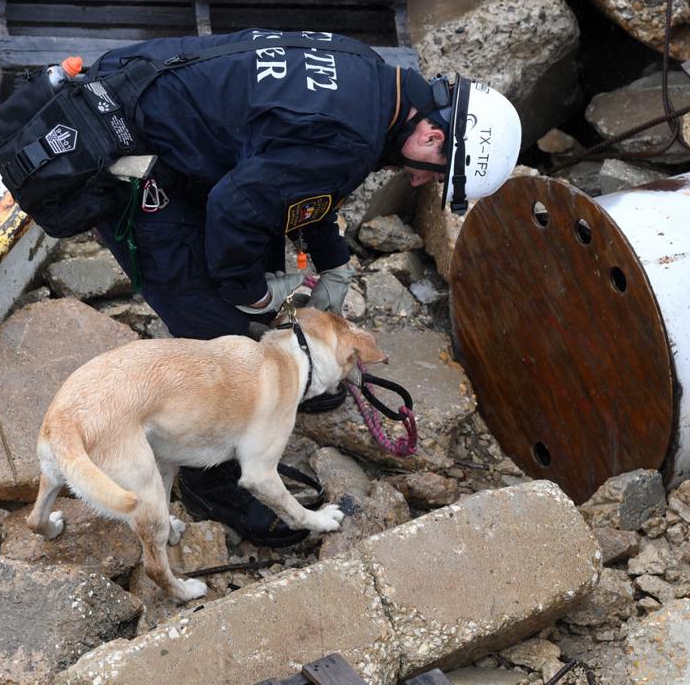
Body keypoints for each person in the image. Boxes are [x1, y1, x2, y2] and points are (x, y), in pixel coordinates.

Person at [83, 28, 522, 545]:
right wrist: (254, 296)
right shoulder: (354, 140)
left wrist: (334, 259)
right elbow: (236, 207)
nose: (422, 181)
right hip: (125, 160)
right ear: (432, 136)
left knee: (258, 246)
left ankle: (293, 374)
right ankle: (214, 481)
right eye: (436, 173)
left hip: (169, 130)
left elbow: (297, 180)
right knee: (217, 328)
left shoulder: (374, 79)